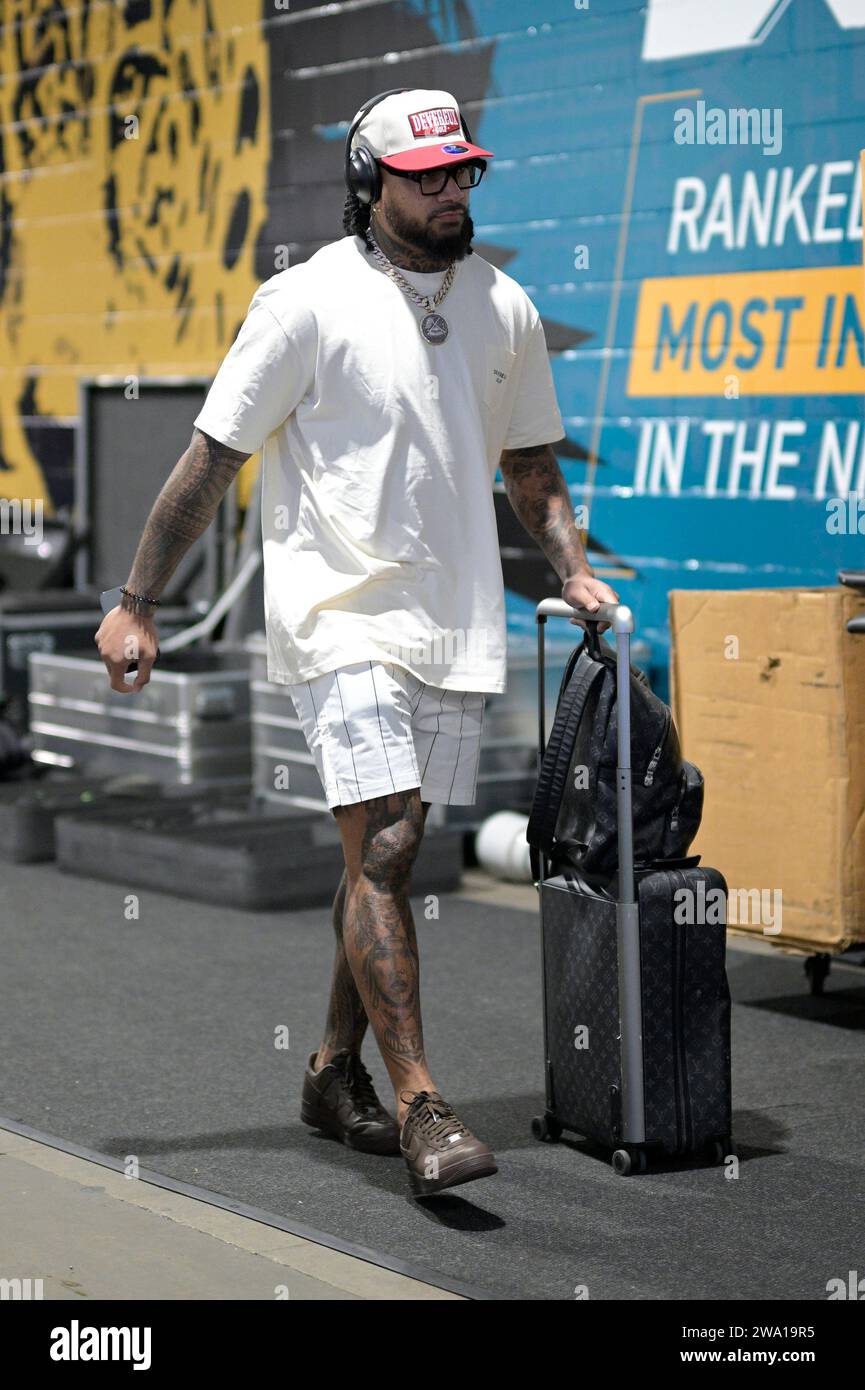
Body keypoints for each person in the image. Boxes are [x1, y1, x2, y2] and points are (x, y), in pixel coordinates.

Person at [95, 87, 619, 1198]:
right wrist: (137, 600)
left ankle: (330, 1074)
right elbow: (210, 461)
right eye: (425, 175)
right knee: (384, 841)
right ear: (370, 182)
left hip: (453, 617)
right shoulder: (303, 303)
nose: (448, 192)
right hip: (337, 614)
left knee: (386, 856)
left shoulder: (503, 307)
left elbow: (530, 465)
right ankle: (423, 1099)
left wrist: (568, 562)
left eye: (460, 171)